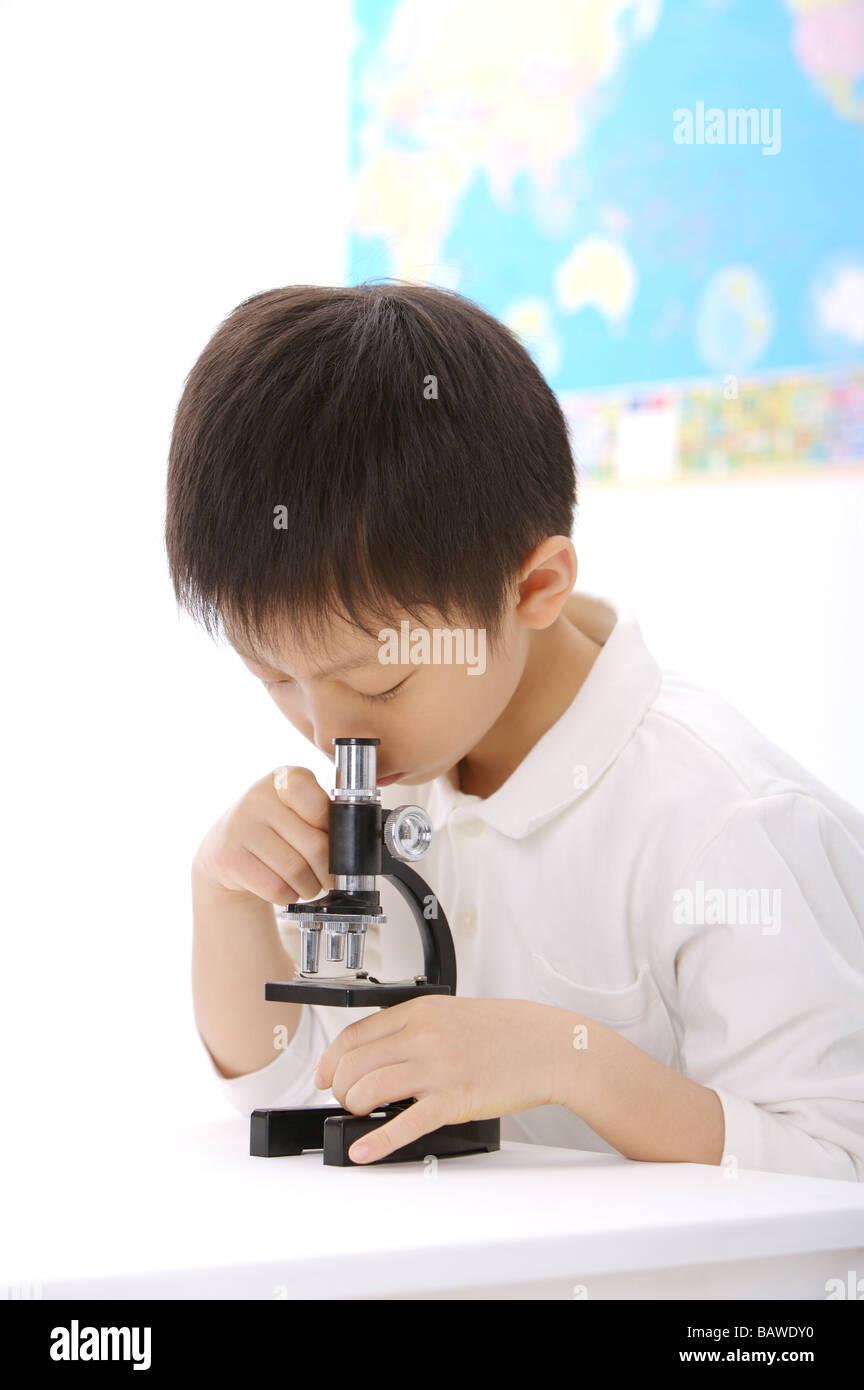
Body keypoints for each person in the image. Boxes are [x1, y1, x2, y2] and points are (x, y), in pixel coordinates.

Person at [165, 282, 864, 1180]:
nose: (333, 735)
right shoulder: (416, 762)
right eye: (276, 680)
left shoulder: (727, 819)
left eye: (378, 682)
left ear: (534, 588)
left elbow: (838, 1165)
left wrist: (571, 1061)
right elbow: (302, 1090)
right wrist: (221, 891)